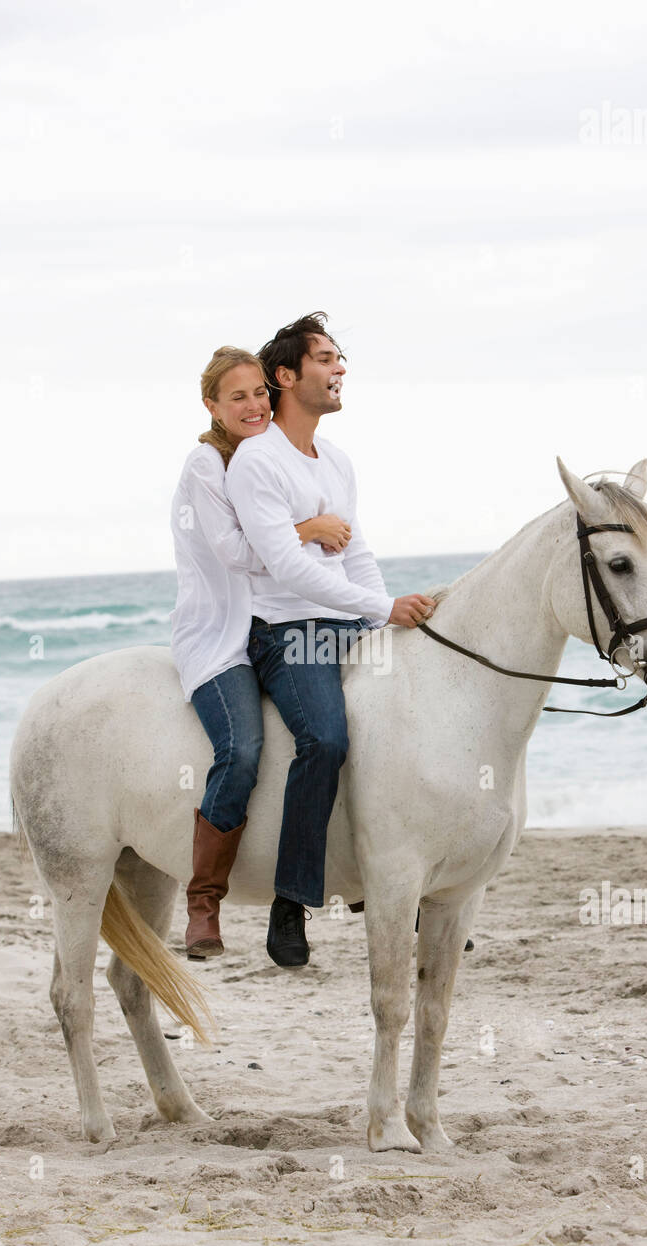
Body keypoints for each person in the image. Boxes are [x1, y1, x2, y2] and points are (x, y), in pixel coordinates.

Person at [225, 312, 436, 968]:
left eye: (339, 356)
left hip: (348, 622)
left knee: (410, 725)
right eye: (325, 358)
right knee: (326, 739)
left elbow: (357, 551)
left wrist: (383, 619)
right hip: (286, 631)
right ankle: (291, 900)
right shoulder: (257, 461)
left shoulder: (337, 461)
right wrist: (379, 606)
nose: (339, 367)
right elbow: (286, 567)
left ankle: (395, 889)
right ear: (285, 376)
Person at [170, 346, 352, 959]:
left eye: (257, 394)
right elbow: (238, 553)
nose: (252, 405)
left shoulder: (270, 457)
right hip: (216, 636)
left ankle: (356, 880)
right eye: (236, 397)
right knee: (241, 750)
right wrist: (309, 530)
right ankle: (203, 902)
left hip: (265, 625)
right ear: (212, 407)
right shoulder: (206, 464)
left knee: (343, 719)